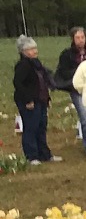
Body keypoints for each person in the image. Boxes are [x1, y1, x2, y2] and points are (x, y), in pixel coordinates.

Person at [13, 36, 57, 164]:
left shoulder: (37, 64)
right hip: (29, 102)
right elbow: (18, 83)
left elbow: (42, 82)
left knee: (41, 127)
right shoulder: (23, 65)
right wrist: (28, 100)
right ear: (24, 51)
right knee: (31, 128)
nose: (35, 51)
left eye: (35, 48)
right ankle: (32, 156)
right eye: (31, 49)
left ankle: (44, 154)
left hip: (40, 100)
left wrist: (47, 98)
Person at [52, 25, 86, 156]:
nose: (80, 40)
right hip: (77, 90)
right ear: (73, 39)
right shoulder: (67, 55)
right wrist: (81, 71)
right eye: (77, 38)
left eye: (82, 37)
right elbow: (63, 72)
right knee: (85, 118)